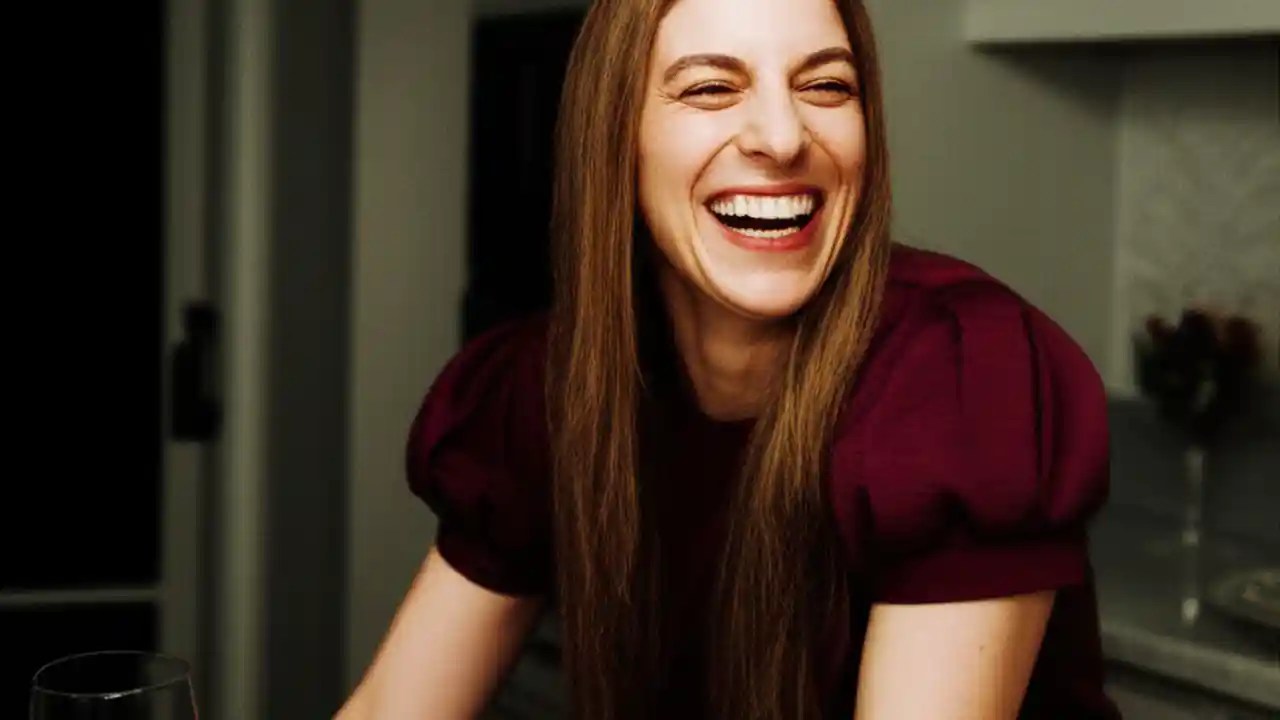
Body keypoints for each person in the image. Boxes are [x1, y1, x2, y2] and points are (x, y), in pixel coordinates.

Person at [337, 0, 1123, 717]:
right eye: (712, 89)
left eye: (826, 87)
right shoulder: (542, 391)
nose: (782, 138)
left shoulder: (959, 379)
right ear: (614, 134)